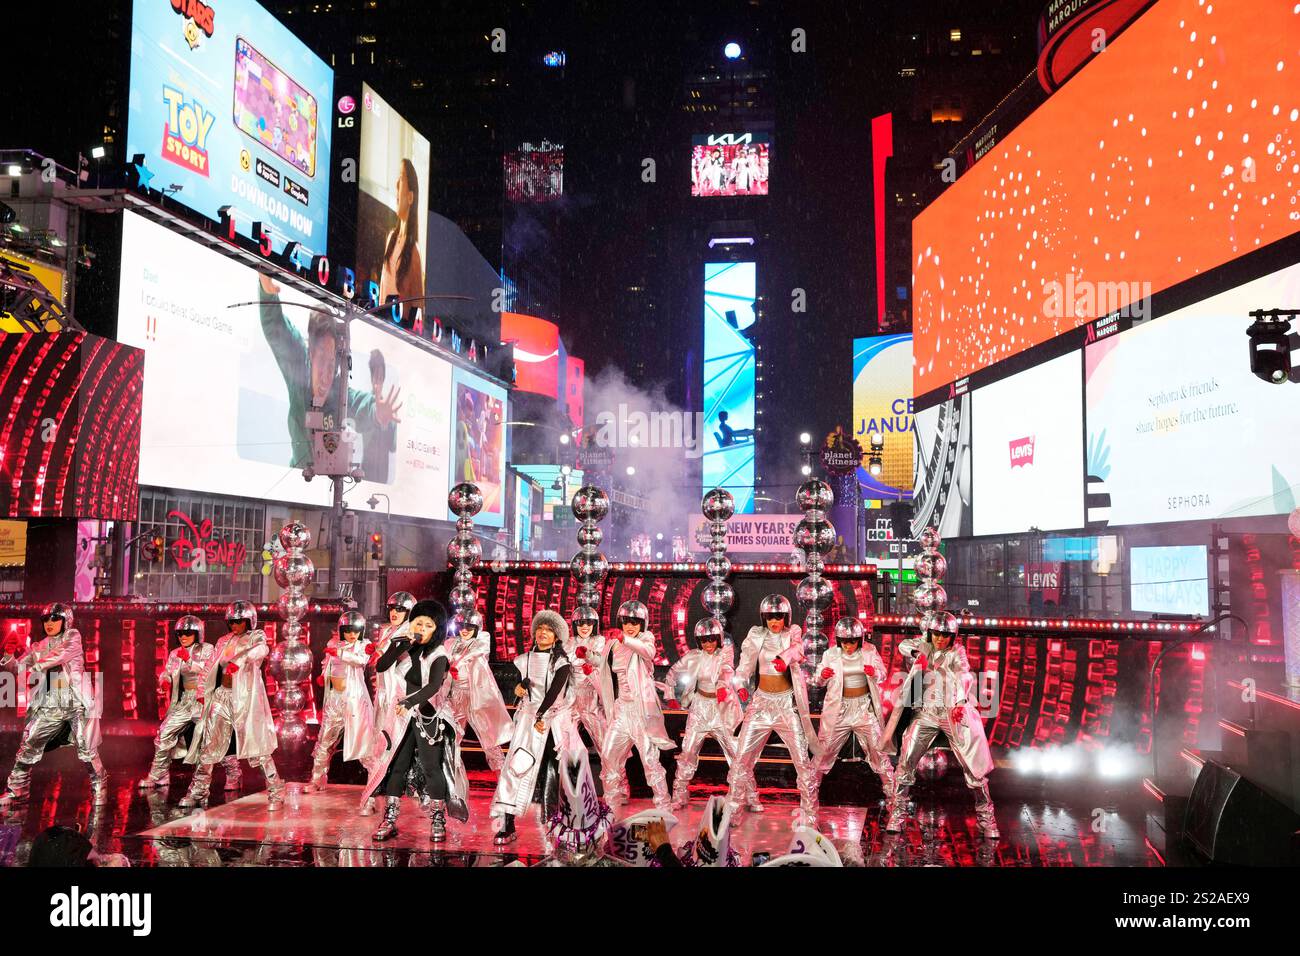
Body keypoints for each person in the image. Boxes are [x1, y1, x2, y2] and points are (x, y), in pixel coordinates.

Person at [257, 273, 402, 469]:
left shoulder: (339, 391)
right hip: (297, 477)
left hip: (327, 482)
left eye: (332, 363)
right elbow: (277, 330)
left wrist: (377, 412)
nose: (327, 374)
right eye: (322, 359)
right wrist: (267, 293)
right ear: (311, 354)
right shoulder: (298, 366)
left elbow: (362, 404)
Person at [363, 599, 469, 843]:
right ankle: (390, 818)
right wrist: (395, 646)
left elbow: (433, 686)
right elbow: (381, 666)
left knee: (432, 767)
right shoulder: (408, 648)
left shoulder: (439, 653)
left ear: (437, 629)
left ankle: (437, 819)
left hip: (429, 715)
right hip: (403, 718)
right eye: (418, 622)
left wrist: (410, 702)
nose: (421, 628)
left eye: (428, 625)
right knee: (396, 766)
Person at [885, 614, 998, 839]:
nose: (940, 639)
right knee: (906, 762)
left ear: (952, 636)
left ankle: (987, 819)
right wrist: (917, 655)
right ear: (931, 633)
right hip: (926, 713)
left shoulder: (957, 653)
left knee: (974, 769)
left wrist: (959, 702)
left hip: (951, 713)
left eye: (945, 635)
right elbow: (903, 645)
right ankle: (896, 814)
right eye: (937, 634)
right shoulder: (923, 645)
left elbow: (964, 675)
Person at [724, 594, 821, 827]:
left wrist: (784, 659)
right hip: (760, 705)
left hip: (786, 705)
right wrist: (741, 688)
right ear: (764, 618)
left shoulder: (792, 632)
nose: (774, 621)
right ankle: (733, 812)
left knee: (802, 762)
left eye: (778, 616)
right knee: (741, 760)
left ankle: (809, 816)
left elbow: (799, 649)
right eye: (770, 617)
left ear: (786, 617)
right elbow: (744, 667)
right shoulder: (756, 635)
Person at [180, 602, 286, 811]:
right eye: (232, 622)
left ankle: (275, 790)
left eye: (239, 621)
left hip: (246, 698)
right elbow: (210, 666)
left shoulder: (256, 637)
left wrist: (243, 658)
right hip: (222, 696)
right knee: (209, 743)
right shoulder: (223, 641)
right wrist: (201, 691)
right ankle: (199, 790)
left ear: (249, 621)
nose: (235, 625)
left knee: (257, 746)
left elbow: (261, 650)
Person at [0, 603, 106, 807]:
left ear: (66, 621)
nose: (49, 623)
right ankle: (17, 789)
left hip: (76, 702)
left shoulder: (73, 637)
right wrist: (8, 655)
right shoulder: (39, 646)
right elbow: (19, 667)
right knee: (29, 741)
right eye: (46, 620)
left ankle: (99, 786)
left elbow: (61, 655)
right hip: (50, 702)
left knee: (86, 748)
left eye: (54, 619)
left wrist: (36, 665)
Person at [490, 609, 577, 845]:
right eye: (540, 629)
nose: (543, 633)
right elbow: (522, 690)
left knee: (551, 771)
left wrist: (542, 714)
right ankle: (507, 823)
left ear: (557, 636)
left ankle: (553, 821)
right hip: (528, 723)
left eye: (548, 630)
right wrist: (518, 690)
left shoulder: (561, 662)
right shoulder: (524, 659)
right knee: (515, 768)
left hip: (551, 724)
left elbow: (555, 691)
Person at [811, 617, 896, 810]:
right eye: (845, 641)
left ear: (860, 639)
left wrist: (874, 672)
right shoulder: (831, 654)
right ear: (839, 640)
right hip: (838, 711)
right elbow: (817, 679)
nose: (849, 645)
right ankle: (809, 805)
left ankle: (895, 805)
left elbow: (882, 673)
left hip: (863, 709)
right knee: (821, 755)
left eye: (853, 641)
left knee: (880, 755)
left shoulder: (869, 651)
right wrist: (821, 676)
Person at [598, 600, 674, 812]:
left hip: (641, 710)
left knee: (650, 759)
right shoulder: (614, 643)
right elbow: (603, 664)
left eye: (635, 622)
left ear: (643, 624)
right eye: (626, 622)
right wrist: (587, 657)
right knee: (608, 756)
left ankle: (664, 806)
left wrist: (625, 638)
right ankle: (610, 807)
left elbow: (648, 652)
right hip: (622, 709)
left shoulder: (645, 638)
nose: (630, 626)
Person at [662, 618, 744, 810]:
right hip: (699, 706)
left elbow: (726, 670)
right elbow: (671, 673)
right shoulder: (693, 656)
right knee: (688, 751)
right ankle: (680, 794)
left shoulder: (725, 653)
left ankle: (747, 795)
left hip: (720, 708)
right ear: (699, 641)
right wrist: (670, 695)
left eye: (712, 640)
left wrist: (724, 687)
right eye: (704, 640)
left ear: (718, 639)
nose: (708, 644)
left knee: (736, 752)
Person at [138, 615, 224, 791]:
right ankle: (159, 774)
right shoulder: (175, 653)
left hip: (204, 700)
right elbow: (167, 672)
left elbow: (209, 670)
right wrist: (164, 680)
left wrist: (189, 660)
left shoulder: (207, 649)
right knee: (163, 734)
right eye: (179, 633)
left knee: (210, 739)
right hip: (184, 701)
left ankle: (231, 774)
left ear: (197, 634)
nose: (183, 637)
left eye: (187, 633)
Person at [305, 611, 377, 793]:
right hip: (334, 700)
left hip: (354, 700)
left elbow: (360, 661)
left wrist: (340, 653)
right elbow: (327, 663)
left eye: (356, 631)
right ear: (342, 630)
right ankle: (316, 780)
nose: (352, 635)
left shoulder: (364, 645)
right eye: (348, 631)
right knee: (324, 741)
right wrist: (323, 677)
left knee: (363, 743)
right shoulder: (333, 643)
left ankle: (375, 782)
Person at [361, 591, 415, 815]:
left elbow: (391, 661)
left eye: (400, 609)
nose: (394, 613)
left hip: (402, 694)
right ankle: (371, 795)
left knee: (403, 746)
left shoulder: (412, 630)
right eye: (392, 608)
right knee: (379, 744)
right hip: (383, 693)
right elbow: (377, 664)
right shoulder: (385, 631)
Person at [443, 610, 512, 773]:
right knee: (452, 739)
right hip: (455, 695)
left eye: (469, 626)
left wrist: (456, 663)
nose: (464, 629)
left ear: (476, 628)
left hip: (476, 696)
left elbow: (478, 651)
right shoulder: (450, 643)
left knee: (490, 740)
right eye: (461, 625)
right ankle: (452, 781)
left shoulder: (481, 640)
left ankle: (503, 782)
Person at [377, 157, 425, 308]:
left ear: (410, 197)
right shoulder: (391, 239)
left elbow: (417, 310)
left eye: (402, 177)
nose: (397, 184)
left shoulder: (414, 253)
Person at [564, 605, 607, 753]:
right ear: (574, 625)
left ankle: (614, 772)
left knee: (602, 735)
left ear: (595, 624)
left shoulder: (599, 640)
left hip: (590, 692)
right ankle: (569, 772)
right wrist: (586, 658)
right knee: (566, 737)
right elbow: (566, 662)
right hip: (570, 693)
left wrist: (586, 656)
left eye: (589, 622)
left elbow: (599, 661)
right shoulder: (568, 641)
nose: (585, 626)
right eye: (580, 623)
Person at [361, 350, 396, 483]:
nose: (378, 381)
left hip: (383, 474)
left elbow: (393, 447)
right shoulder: (364, 404)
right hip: (366, 473)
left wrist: (390, 422)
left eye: (381, 377)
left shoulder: (390, 408)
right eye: (375, 376)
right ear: (371, 378)